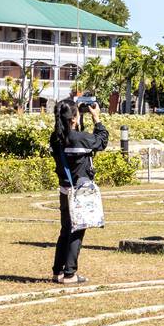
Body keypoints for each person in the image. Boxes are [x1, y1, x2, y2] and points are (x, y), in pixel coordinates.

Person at [49, 98, 108, 284]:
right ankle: (70, 274)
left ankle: (57, 271)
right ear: (74, 119)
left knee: (65, 230)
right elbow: (101, 141)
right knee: (77, 230)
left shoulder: (55, 138)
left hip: (64, 189)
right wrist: (96, 118)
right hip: (80, 192)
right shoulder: (79, 138)